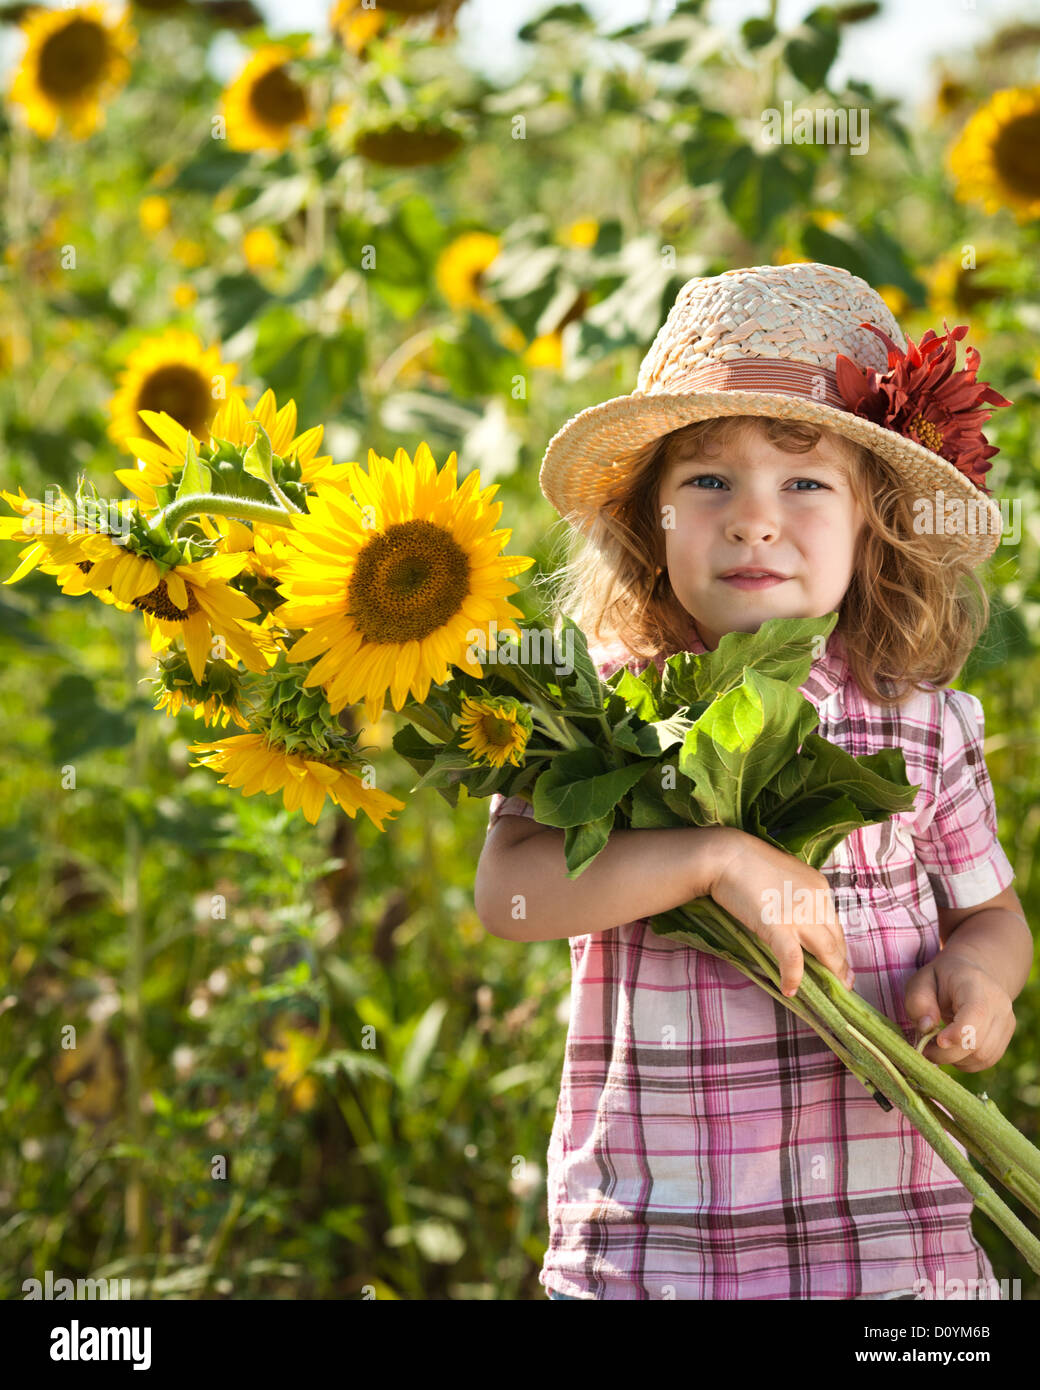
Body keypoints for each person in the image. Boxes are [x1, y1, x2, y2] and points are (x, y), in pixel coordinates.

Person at [473, 262, 1032, 1300]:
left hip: (884, 1248)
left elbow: (992, 917)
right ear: (649, 518)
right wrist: (710, 856)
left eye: (804, 482)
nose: (752, 519)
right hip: (654, 1245)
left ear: (876, 521)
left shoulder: (918, 718)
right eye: (708, 481)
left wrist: (981, 983)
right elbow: (510, 893)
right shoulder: (599, 700)